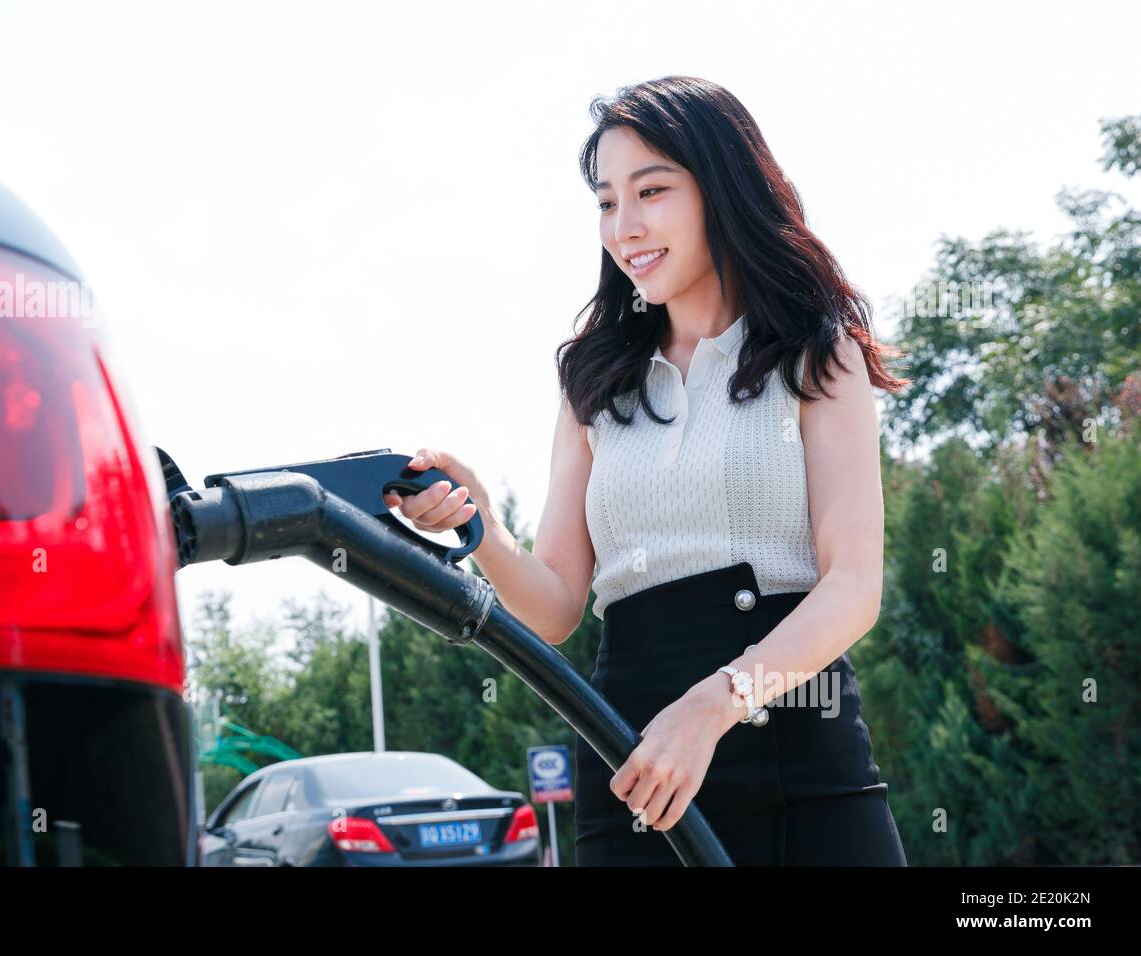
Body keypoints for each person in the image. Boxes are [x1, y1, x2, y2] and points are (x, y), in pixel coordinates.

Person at [384, 76, 910, 866]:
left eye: (651, 191)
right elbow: (557, 607)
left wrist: (713, 706)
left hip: (800, 762)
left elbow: (851, 589)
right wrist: (482, 528)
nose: (624, 227)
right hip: (632, 765)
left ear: (722, 188)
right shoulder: (593, 382)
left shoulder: (816, 352)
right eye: (604, 202)